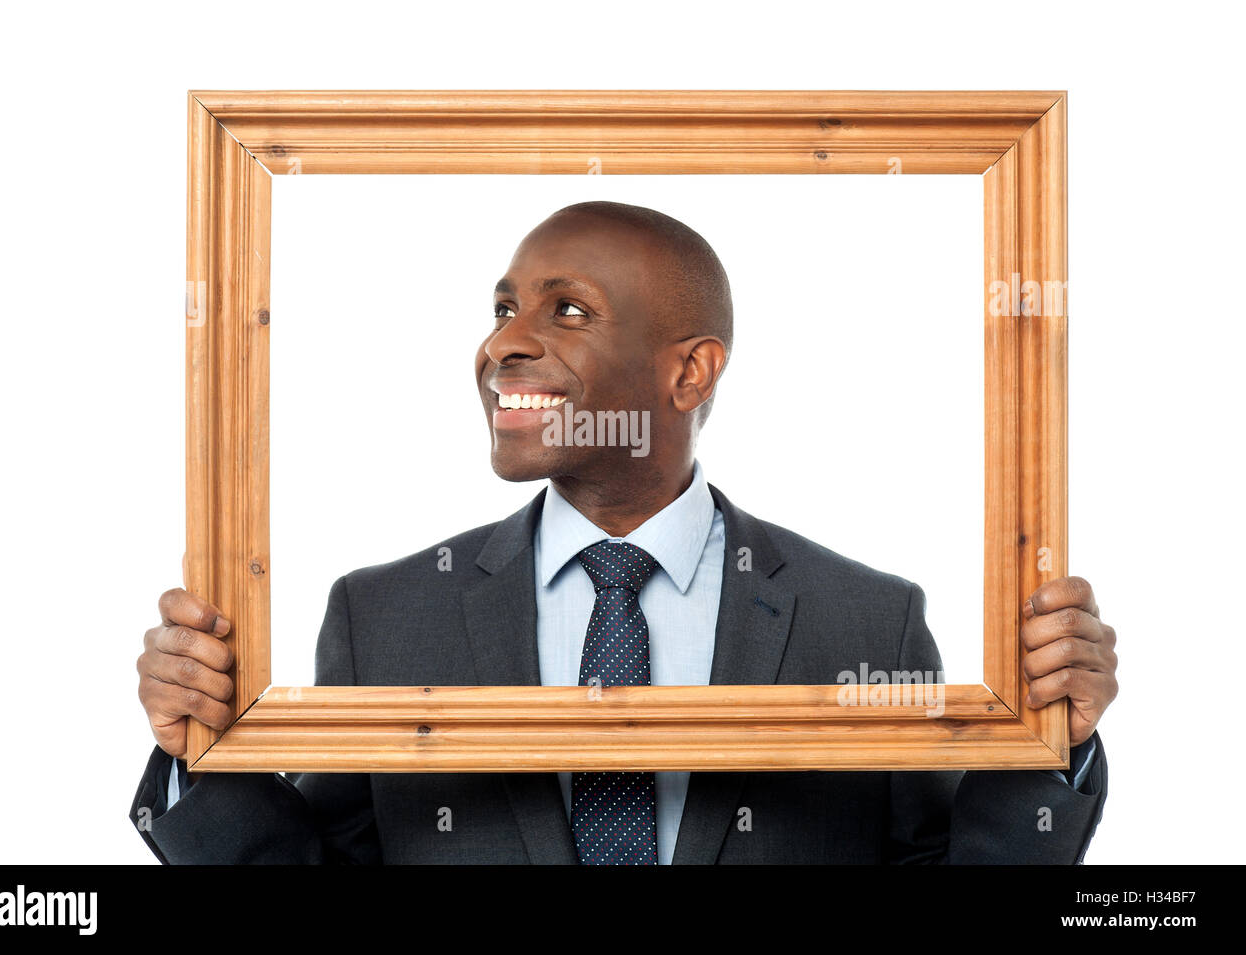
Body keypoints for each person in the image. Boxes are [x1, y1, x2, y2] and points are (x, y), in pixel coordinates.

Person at [130, 201, 1118, 864]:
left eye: (566, 311)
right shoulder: (386, 616)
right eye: (503, 307)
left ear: (689, 373)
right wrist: (196, 756)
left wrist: (1049, 742)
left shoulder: (864, 619)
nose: (502, 342)